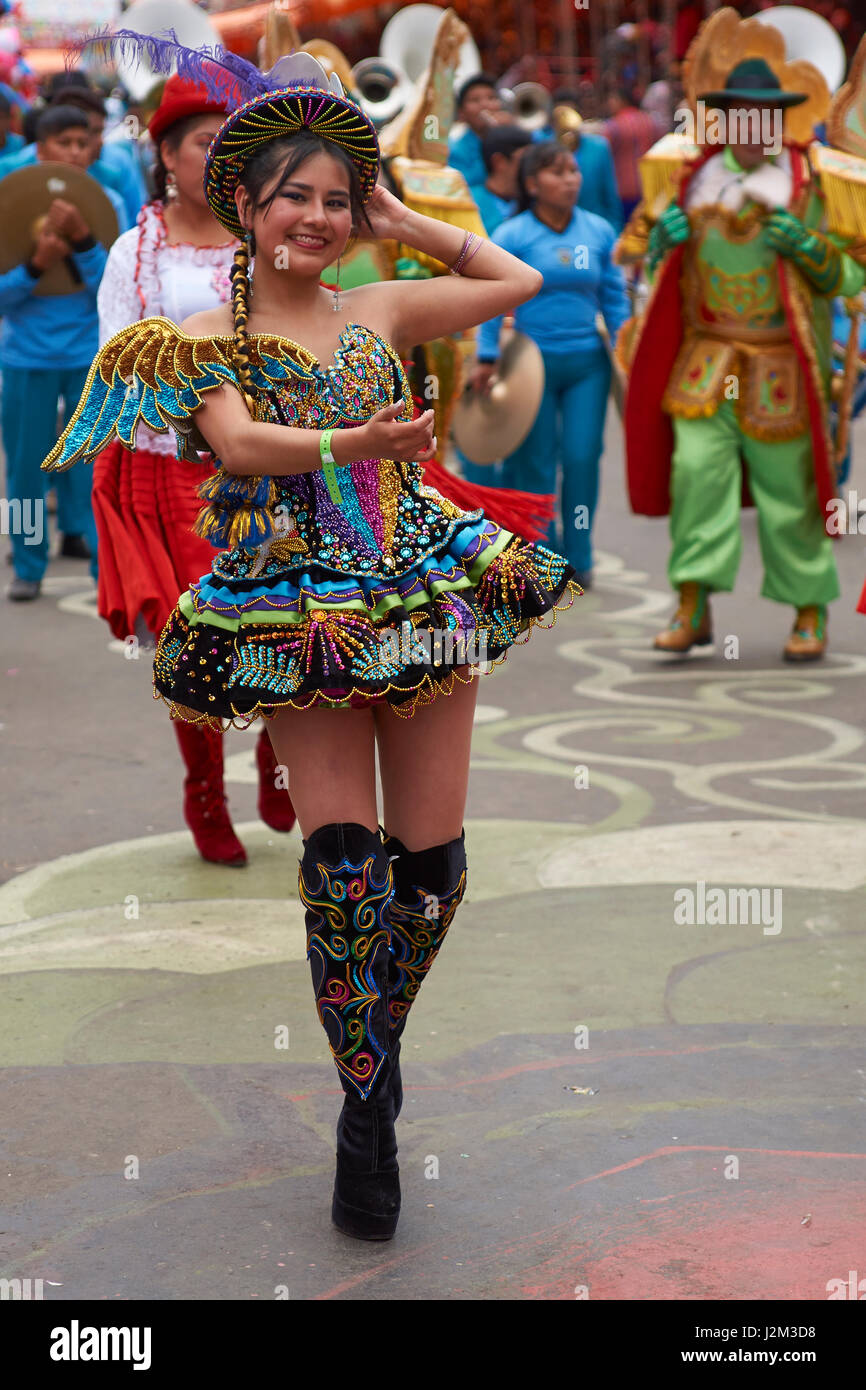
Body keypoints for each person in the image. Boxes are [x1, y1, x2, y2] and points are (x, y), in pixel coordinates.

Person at [42, 39, 581, 1242]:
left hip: (423, 586)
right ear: (246, 203)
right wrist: (357, 449)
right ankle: (364, 1109)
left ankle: (370, 1049)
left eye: (339, 201)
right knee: (342, 868)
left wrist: (402, 211)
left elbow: (511, 284)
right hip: (294, 602)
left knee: (430, 872)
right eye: (299, 196)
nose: (321, 219)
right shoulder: (201, 335)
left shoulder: (377, 302)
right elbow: (234, 447)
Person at [91, 73, 296, 867]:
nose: (222, 157)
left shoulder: (270, 239)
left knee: (280, 616)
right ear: (167, 157)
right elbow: (119, 362)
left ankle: (282, 756)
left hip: (274, 465)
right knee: (195, 637)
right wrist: (203, 413)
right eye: (206, 143)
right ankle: (204, 790)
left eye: (233, 144)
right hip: (174, 469)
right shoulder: (132, 253)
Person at [619, 51, 866, 661]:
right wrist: (660, 249)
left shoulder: (818, 183)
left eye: (765, 115)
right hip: (704, 366)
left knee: (790, 495)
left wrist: (809, 249)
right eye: (739, 116)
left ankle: (809, 611)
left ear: (779, 121)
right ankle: (692, 604)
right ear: (723, 122)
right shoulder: (685, 179)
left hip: (781, 365)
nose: (753, 128)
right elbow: (640, 259)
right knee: (697, 476)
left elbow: (852, 277)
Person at [470, 141, 630, 588]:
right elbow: (490, 297)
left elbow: (615, 299)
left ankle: (579, 554)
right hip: (528, 366)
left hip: (587, 366)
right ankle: (542, 556)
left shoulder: (598, 231)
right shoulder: (513, 234)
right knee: (536, 462)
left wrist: (627, 350)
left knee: (582, 457)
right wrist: (486, 356)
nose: (571, 180)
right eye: (558, 173)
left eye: (575, 172)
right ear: (533, 182)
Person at [2, 105, 121, 600]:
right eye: (63, 143)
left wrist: (83, 239)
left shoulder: (107, 200)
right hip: (26, 360)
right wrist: (36, 266)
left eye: (82, 142)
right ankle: (28, 566)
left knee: (94, 469)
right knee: (26, 471)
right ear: (41, 149)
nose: (75, 152)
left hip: (89, 360)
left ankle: (104, 568)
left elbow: (115, 286)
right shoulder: (12, 200)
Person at [603, 85, 657, 224]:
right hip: (648, 187)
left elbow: (602, 152)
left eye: (612, 99)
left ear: (622, 100)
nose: (609, 103)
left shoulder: (613, 126)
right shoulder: (649, 121)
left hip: (622, 191)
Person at [446, 73, 508, 189]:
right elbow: (465, 185)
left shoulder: (512, 136)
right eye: (475, 100)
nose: (485, 105)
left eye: (491, 98)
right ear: (461, 113)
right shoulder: (453, 150)